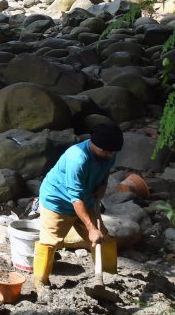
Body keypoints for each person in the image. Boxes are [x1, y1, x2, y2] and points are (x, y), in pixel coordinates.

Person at [33, 123, 122, 295]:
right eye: (106, 151)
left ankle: (109, 276)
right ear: (93, 143)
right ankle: (41, 284)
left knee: (103, 238)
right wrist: (90, 227)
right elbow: (76, 199)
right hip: (57, 201)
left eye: (113, 152)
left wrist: (103, 184)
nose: (110, 155)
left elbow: (105, 170)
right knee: (50, 242)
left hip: (86, 199)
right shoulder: (77, 158)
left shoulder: (109, 152)